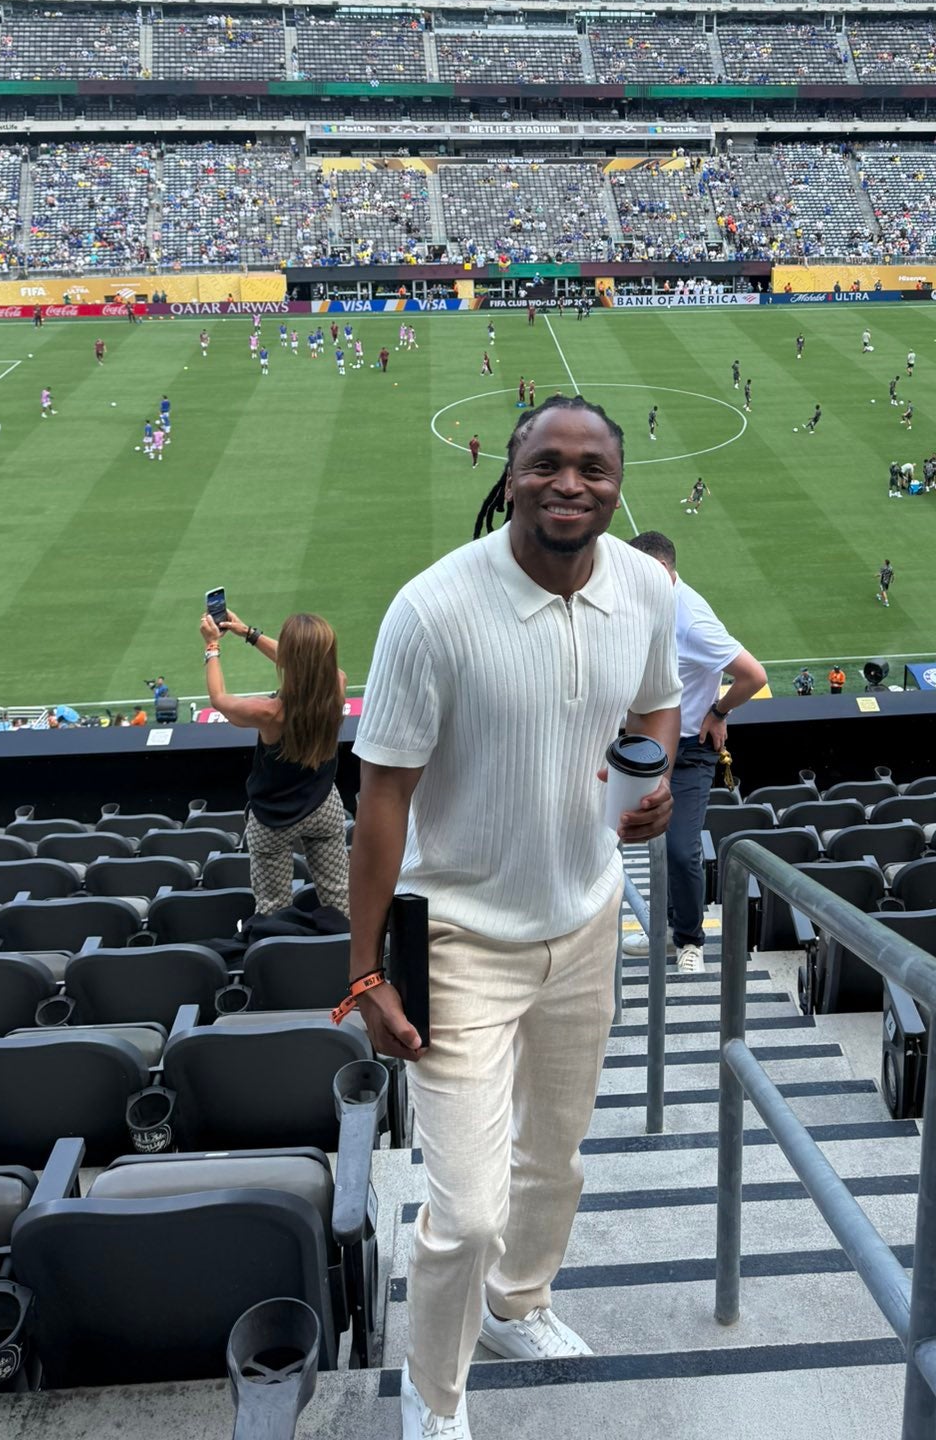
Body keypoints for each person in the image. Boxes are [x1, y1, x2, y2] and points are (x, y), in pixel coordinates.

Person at [350, 396, 679, 1437]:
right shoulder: (433, 609)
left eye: (593, 467)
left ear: (619, 482)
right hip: (457, 937)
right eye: (548, 463)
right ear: (511, 471)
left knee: (557, 1156)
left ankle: (519, 1303)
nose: (570, 483)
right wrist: (365, 969)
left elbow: (658, 699)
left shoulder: (644, 586)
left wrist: (654, 773)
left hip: (586, 920)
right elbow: (381, 800)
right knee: (466, 1210)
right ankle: (433, 1398)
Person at [627, 530, 765, 974]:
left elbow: (753, 675)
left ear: (664, 572)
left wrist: (718, 711)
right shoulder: (641, 603)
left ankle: (689, 939)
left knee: (682, 848)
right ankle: (666, 930)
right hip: (642, 744)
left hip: (688, 750)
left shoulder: (692, 621)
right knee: (649, 842)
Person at [200, 607, 351, 920]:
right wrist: (250, 634)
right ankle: (342, 955)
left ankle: (280, 957)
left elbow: (218, 699)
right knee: (340, 902)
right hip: (324, 808)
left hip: (273, 819)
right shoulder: (338, 683)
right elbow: (306, 664)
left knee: (272, 909)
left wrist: (212, 646)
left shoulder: (269, 713)